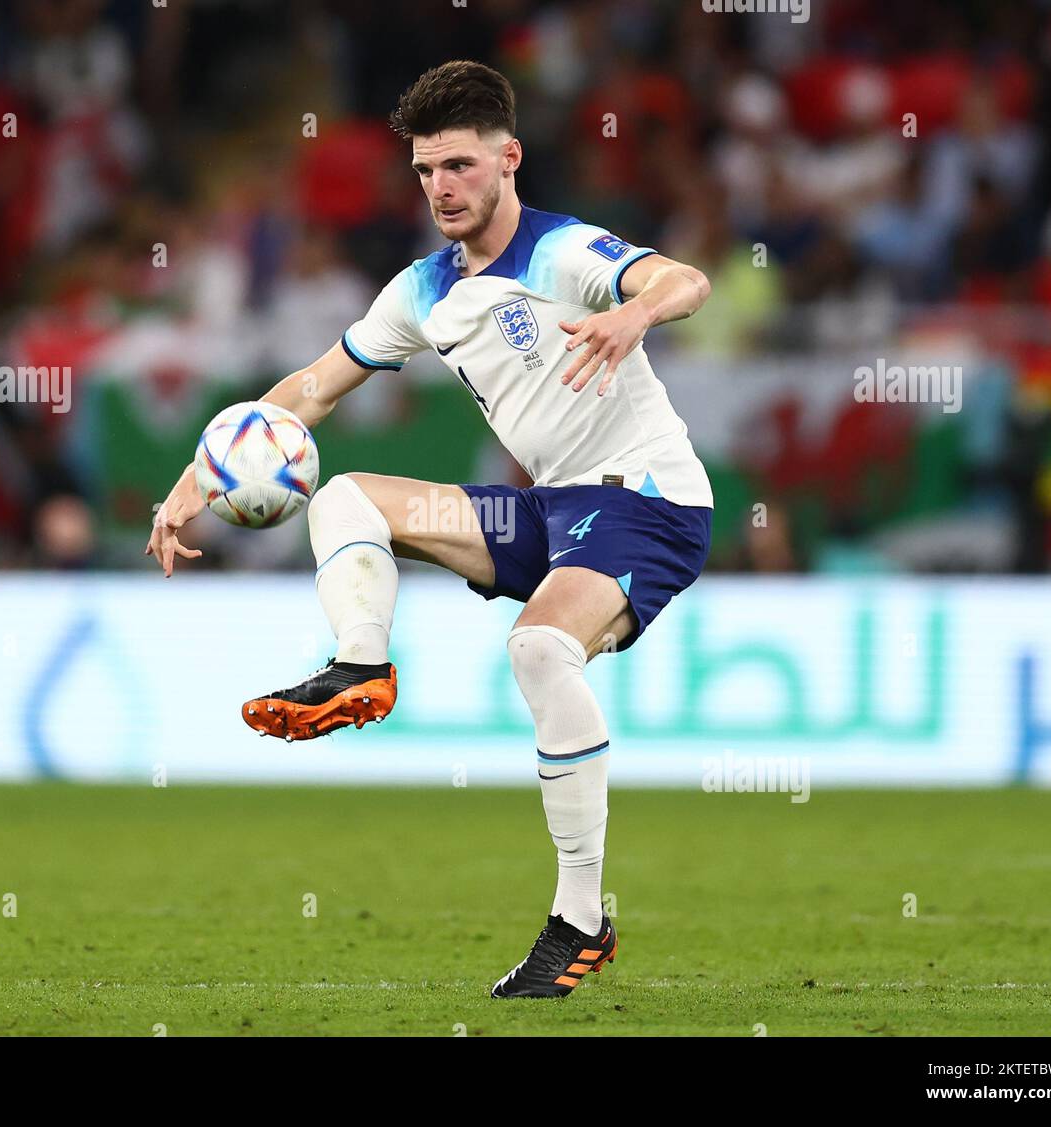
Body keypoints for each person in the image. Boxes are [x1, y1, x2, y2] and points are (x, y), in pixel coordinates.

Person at [146, 60, 714, 999]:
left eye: (457, 165)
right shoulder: (423, 291)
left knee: (539, 651)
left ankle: (580, 920)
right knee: (345, 497)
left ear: (508, 159)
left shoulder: (566, 252)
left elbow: (686, 278)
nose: (441, 188)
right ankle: (362, 663)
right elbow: (311, 390)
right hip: (552, 508)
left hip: (646, 501)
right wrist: (196, 478)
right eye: (425, 172)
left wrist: (634, 317)